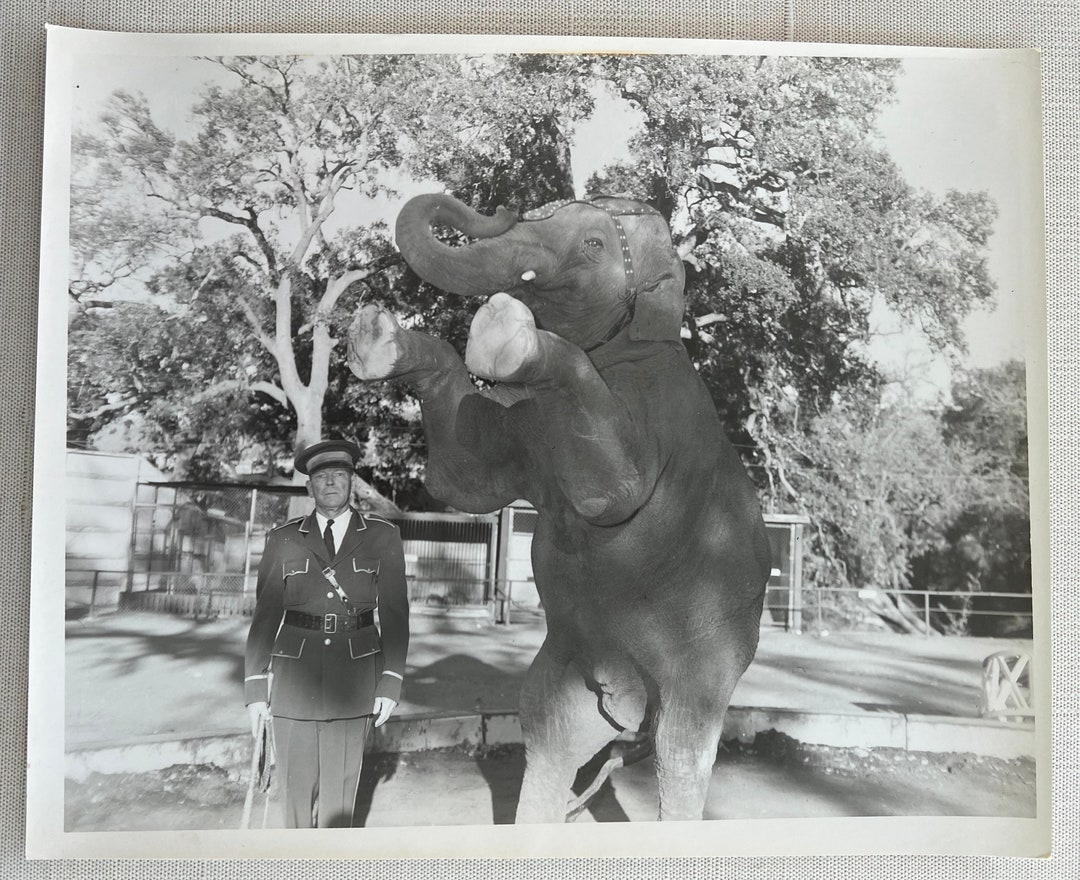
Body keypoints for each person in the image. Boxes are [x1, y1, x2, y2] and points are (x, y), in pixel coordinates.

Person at [244, 439, 409, 828]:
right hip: (293, 685)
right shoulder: (283, 539)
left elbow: (396, 615)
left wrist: (391, 680)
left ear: (352, 481)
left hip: (354, 684)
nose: (330, 483)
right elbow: (265, 616)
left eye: (339, 475)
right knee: (295, 799)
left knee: (339, 804)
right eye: (321, 476)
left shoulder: (382, 537)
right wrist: (254, 689)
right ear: (309, 486)